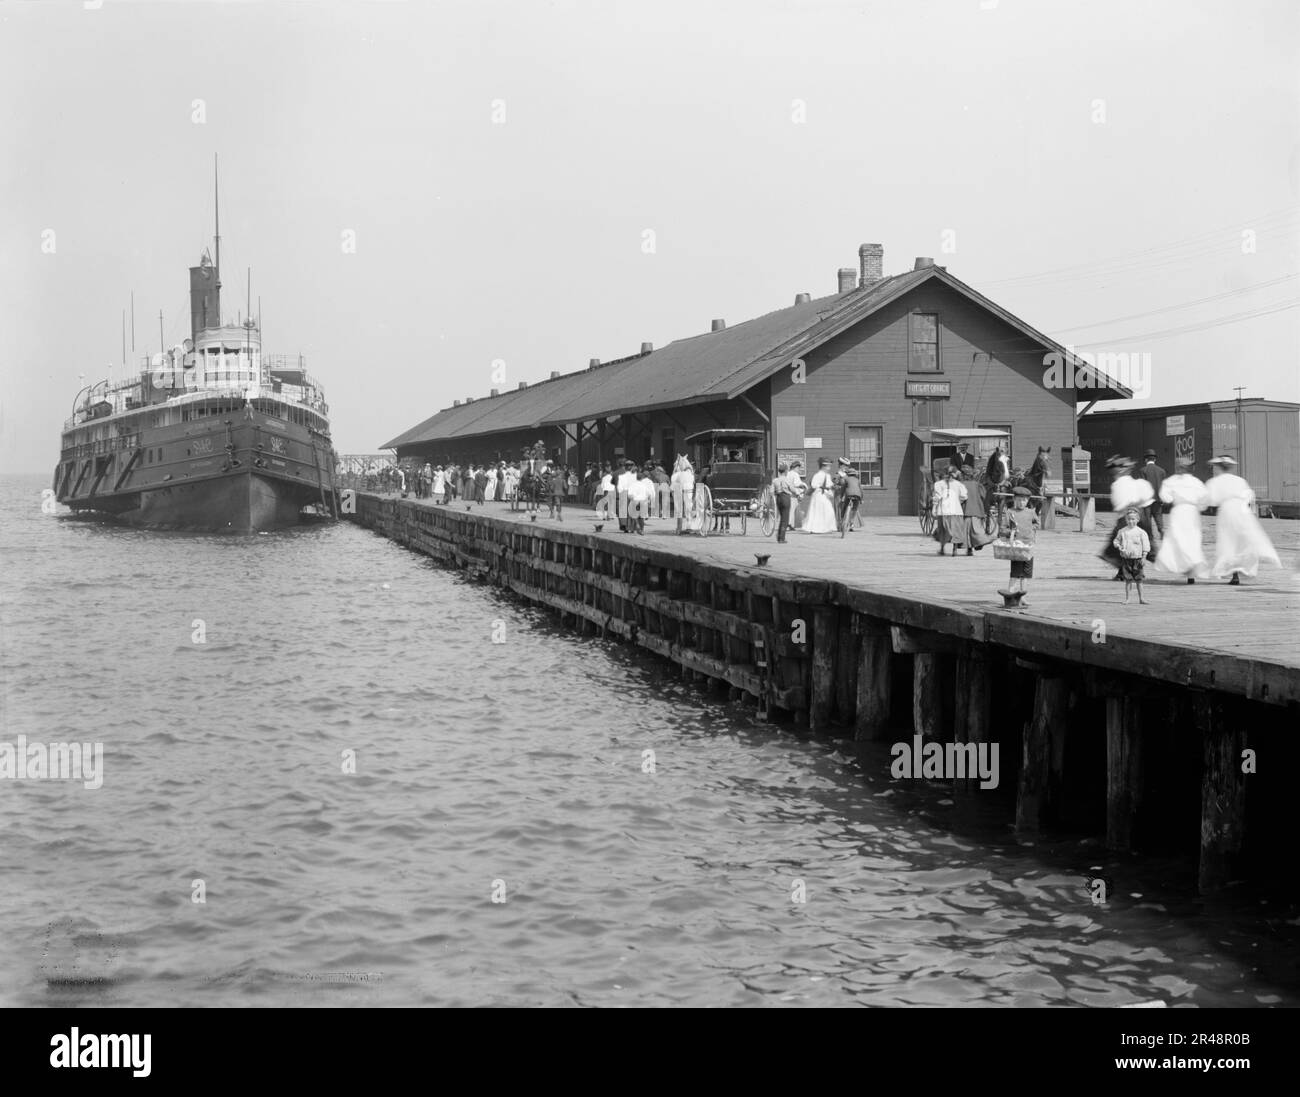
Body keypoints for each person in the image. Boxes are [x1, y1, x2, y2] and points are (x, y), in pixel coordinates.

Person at [1204, 455, 1281, 585]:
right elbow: (1249, 495)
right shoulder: (1239, 480)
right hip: (1242, 509)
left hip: (1227, 510)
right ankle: (1240, 569)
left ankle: (1234, 572)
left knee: (1229, 541)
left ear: (1219, 467)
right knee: (1244, 540)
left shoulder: (1215, 482)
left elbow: (1210, 500)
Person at [1153, 456, 1208, 583]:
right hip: (1192, 512)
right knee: (1192, 540)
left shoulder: (1171, 481)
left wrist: (1173, 498)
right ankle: (1191, 573)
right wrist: (1198, 506)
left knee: (1177, 539)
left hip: (1179, 512)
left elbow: (1165, 497)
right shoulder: (1196, 482)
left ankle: (1184, 566)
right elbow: (1205, 499)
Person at [1099, 456, 1155, 578]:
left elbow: (1119, 504)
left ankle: (1131, 571)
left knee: (1121, 545)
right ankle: (1129, 571)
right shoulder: (1135, 483)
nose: (1113, 471)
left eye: (1116, 468)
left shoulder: (1120, 484)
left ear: (1121, 470)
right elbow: (1146, 499)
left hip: (1127, 517)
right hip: (1140, 516)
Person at [1000, 486, 1038, 601]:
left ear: (1027, 501)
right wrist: (1010, 532)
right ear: (1014, 500)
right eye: (1019, 500)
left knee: (1026, 573)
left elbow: (1037, 523)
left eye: (1024, 500)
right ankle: (1010, 593)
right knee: (1015, 571)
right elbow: (1002, 528)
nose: (1021, 503)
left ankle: (1023, 596)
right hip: (1016, 546)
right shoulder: (1010, 512)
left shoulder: (1031, 512)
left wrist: (1032, 528)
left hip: (1028, 546)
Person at [1113, 508, 1151, 604]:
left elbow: (1146, 545)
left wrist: (1144, 557)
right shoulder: (1122, 531)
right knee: (1128, 580)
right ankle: (1128, 599)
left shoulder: (1141, 532)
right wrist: (1119, 546)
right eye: (1129, 519)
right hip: (1126, 559)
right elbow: (1116, 541)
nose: (1131, 521)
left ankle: (1141, 598)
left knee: (1139, 580)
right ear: (1126, 520)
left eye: (1133, 519)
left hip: (1138, 559)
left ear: (1137, 520)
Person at [931, 464, 968, 555]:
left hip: (943, 512)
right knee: (955, 530)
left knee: (943, 530)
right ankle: (954, 550)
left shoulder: (938, 484)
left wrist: (934, 508)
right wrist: (957, 500)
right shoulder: (959, 484)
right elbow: (964, 496)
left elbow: (936, 497)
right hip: (956, 511)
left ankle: (942, 549)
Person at [961, 466, 994, 554]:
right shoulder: (977, 485)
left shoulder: (961, 484)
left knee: (967, 531)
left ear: (963, 475)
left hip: (965, 510)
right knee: (976, 530)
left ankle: (970, 548)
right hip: (977, 511)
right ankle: (979, 542)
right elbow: (984, 496)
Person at [801, 458, 839, 534]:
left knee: (828, 511)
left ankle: (826, 527)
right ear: (823, 466)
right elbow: (814, 485)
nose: (829, 468)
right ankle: (816, 528)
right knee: (818, 511)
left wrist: (832, 486)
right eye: (828, 466)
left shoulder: (827, 475)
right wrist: (822, 487)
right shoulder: (817, 475)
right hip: (818, 495)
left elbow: (829, 484)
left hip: (825, 495)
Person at [1137, 450, 1167, 537]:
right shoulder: (1162, 471)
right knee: (1158, 515)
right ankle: (1161, 530)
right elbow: (1163, 486)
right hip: (1158, 498)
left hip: (1147, 499)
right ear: (1155, 460)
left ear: (1146, 459)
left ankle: (1149, 535)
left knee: (1147, 517)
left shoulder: (1143, 470)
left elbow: (1141, 486)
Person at [835, 458, 862, 536]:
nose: (846, 467)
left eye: (847, 466)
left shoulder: (847, 474)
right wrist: (840, 487)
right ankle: (840, 526)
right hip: (840, 494)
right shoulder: (838, 474)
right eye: (845, 465)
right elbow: (835, 485)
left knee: (852, 508)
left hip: (847, 494)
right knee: (840, 510)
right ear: (841, 465)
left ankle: (850, 524)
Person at [771, 462, 794, 543]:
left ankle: (779, 536)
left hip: (778, 498)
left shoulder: (775, 480)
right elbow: (792, 489)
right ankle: (781, 538)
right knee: (785, 519)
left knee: (782, 518)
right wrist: (798, 493)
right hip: (786, 498)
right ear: (785, 471)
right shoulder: (787, 480)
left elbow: (771, 491)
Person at [627, 467, 654, 534]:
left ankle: (637, 525)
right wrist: (649, 500)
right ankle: (642, 530)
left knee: (633, 514)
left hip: (635, 501)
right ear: (642, 478)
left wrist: (632, 499)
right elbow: (649, 493)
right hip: (643, 501)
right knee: (642, 516)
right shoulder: (644, 485)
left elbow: (629, 495)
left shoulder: (632, 485)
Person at [1026, 446, 1050, 514]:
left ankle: (1035, 516)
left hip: (1039, 486)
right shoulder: (1038, 461)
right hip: (1032, 484)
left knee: (1040, 502)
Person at [616, 460, 638, 532]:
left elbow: (619, 488)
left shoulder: (621, 477)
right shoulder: (635, 476)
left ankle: (625, 526)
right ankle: (632, 527)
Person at [789, 461, 808, 529]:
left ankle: (790, 524)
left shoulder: (788, 474)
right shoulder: (795, 474)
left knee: (790, 509)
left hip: (787, 494)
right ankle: (790, 524)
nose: (799, 470)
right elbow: (797, 483)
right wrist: (804, 486)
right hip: (793, 494)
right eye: (798, 468)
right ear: (796, 467)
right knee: (793, 510)